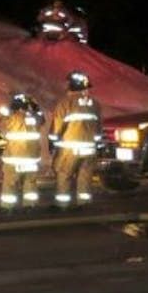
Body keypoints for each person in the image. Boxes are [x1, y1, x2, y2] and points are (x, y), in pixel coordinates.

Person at [48, 70, 102, 208]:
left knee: (64, 174)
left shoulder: (66, 103)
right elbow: (98, 128)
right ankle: (84, 203)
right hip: (90, 149)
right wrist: (97, 144)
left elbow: (57, 126)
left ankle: (62, 204)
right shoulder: (95, 104)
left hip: (70, 149)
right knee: (85, 176)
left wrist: (52, 141)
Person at [0, 92, 43, 212]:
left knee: (10, 183)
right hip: (32, 159)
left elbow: (1, 122)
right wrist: (36, 107)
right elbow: (41, 118)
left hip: (14, 158)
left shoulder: (11, 118)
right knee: (30, 182)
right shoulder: (34, 119)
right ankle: (30, 205)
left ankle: (8, 207)